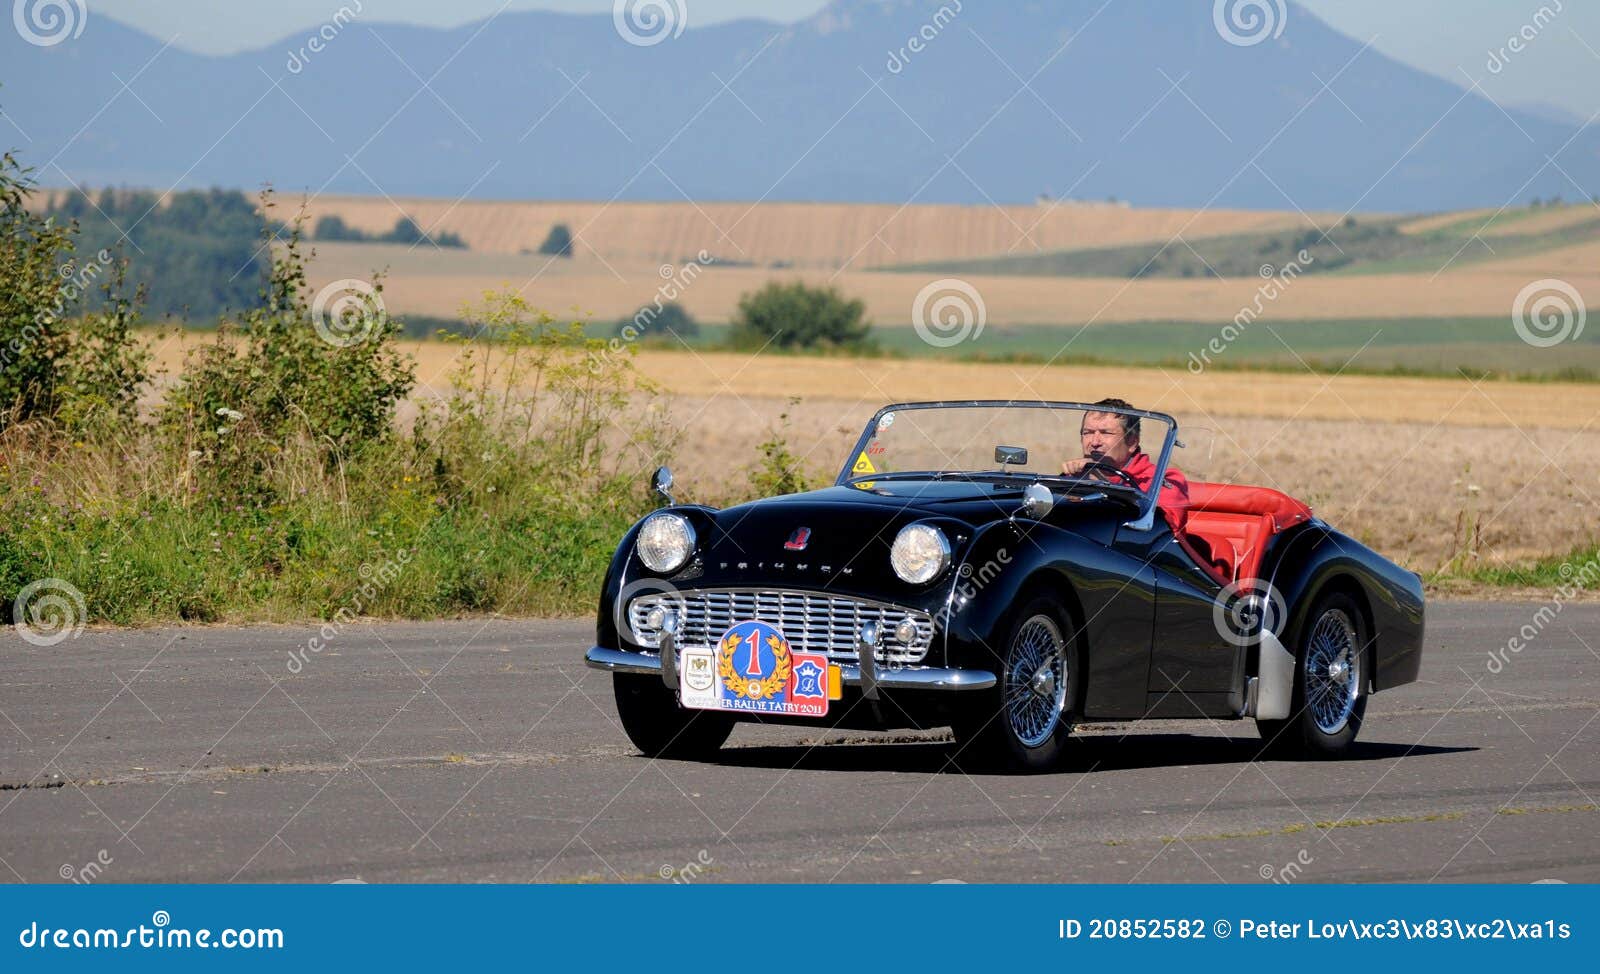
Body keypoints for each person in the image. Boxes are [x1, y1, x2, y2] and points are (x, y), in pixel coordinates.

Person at [1061, 398, 1189, 535]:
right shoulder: (1074, 477)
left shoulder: (1162, 480)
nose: (1094, 442)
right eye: (1088, 433)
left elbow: (1162, 530)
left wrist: (1101, 484)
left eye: (1106, 433)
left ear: (1132, 442)